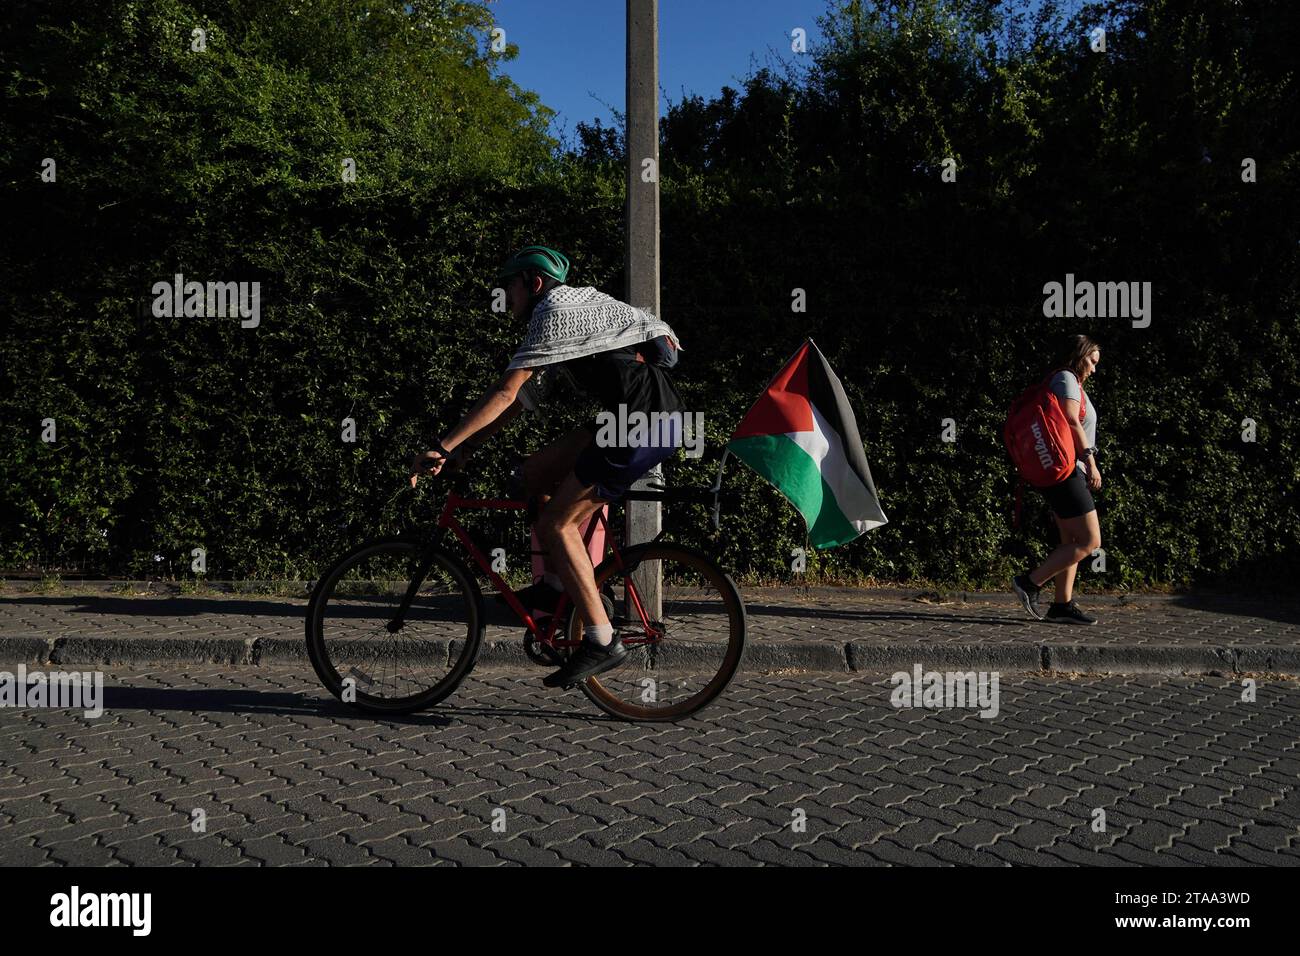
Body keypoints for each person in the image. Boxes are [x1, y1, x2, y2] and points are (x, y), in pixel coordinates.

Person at [409, 245, 686, 686]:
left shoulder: (555, 311)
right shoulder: (574, 316)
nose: (507, 298)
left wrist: (442, 445)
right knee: (532, 474)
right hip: (630, 419)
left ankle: (601, 638)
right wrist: (466, 449)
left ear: (533, 283)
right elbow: (517, 403)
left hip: (642, 424)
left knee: (558, 523)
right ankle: (557, 587)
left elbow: (504, 391)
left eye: (510, 288)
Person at [1011, 334, 1103, 625]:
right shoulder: (1066, 378)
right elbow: (1071, 420)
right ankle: (1030, 582)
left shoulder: (1067, 381)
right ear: (1079, 355)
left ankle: (1062, 604)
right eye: (1092, 360)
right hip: (1066, 471)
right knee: (1090, 541)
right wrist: (1090, 462)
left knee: (1071, 540)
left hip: (1063, 471)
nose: (1094, 368)